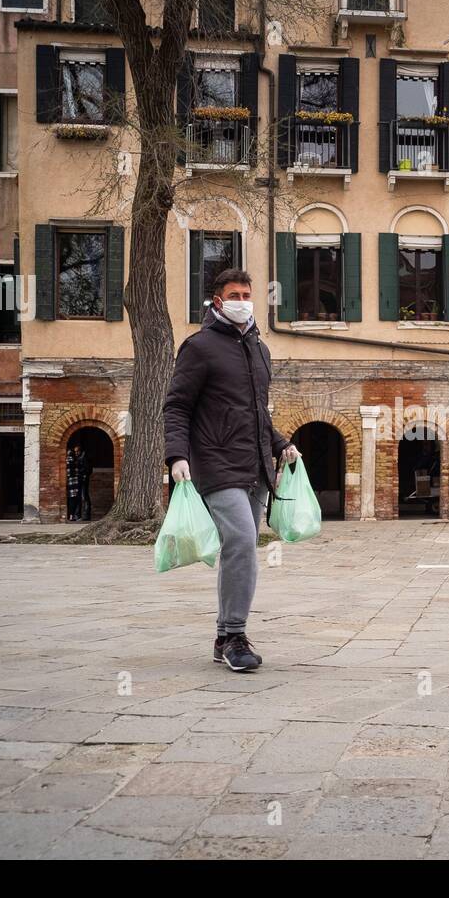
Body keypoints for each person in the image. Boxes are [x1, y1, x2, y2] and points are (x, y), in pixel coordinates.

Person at [163, 268, 300, 672]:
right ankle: (237, 636)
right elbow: (177, 406)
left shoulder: (260, 349)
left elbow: (257, 413)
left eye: (248, 293)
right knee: (241, 540)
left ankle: (224, 635)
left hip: (256, 465)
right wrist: (176, 456)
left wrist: (281, 443)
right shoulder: (199, 347)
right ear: (218, 302)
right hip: (215, 463)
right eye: (235, 294)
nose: (243, 300)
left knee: (237, 549)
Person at [76, 445, 92, 521]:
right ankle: (81, 515)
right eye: (75, 451)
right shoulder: (80, 458)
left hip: (83, 479)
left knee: (84, 496)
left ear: (80, 451)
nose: (76, 453)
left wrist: (82, 474)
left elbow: (88, 470)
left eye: (77, 451)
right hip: (81, 479)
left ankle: (86, 515)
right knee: (82, 496)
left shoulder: (84, 458)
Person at [65, 446, 81, 521]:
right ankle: (73, 515)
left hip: (68, 480)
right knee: (75, 498)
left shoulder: (67, 460)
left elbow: (67, 472)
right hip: (75, 480)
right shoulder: (76, 460)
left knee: (69, 499)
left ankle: (70, 515)